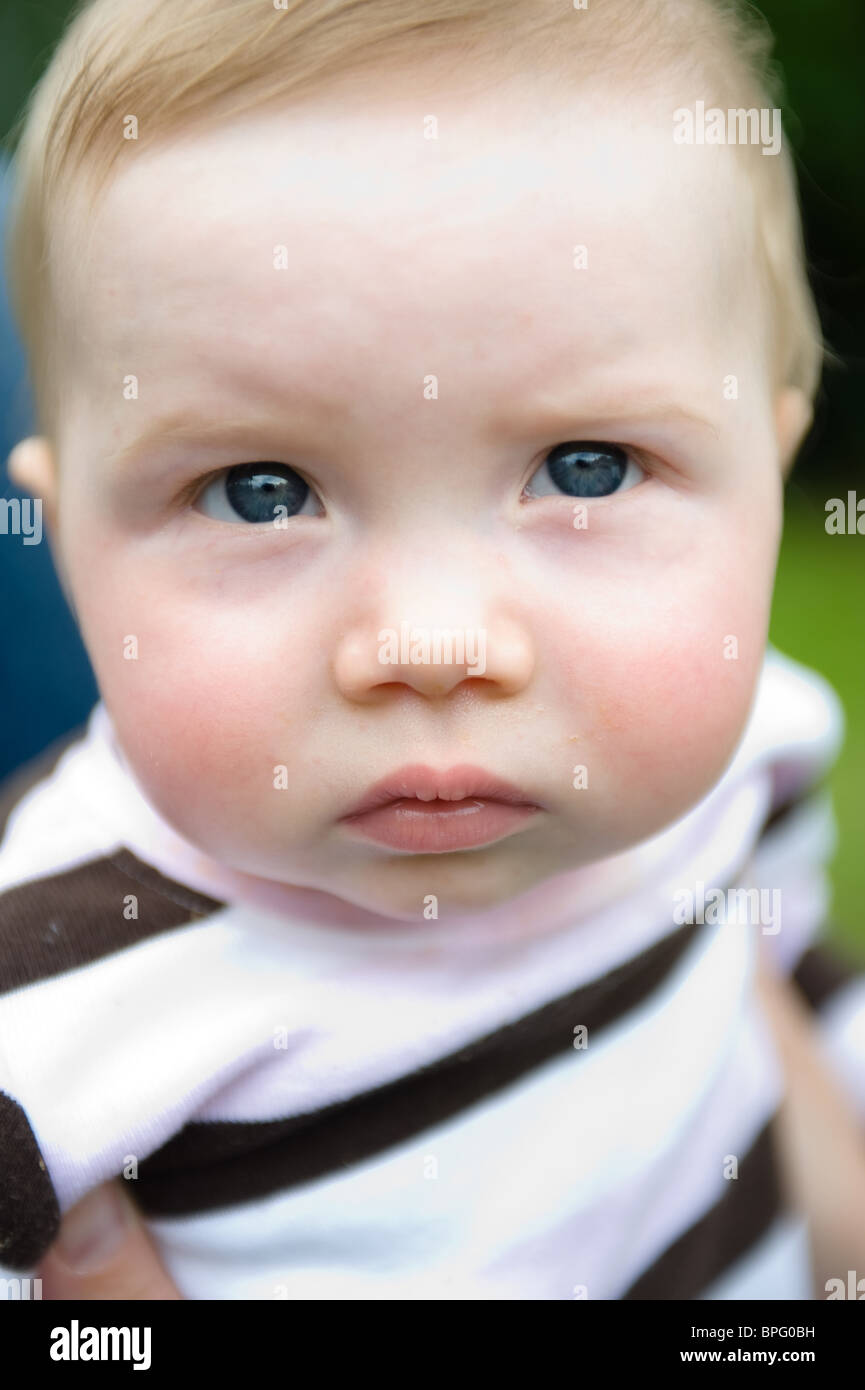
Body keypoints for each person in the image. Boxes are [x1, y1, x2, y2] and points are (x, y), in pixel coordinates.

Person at [2, 0, 865, 1300]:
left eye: (585, 467)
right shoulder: (47, 1002)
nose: (429, 643)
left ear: (765, 482)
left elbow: (792, 961)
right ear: (67, 546)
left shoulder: (743, 755)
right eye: (259, 490)